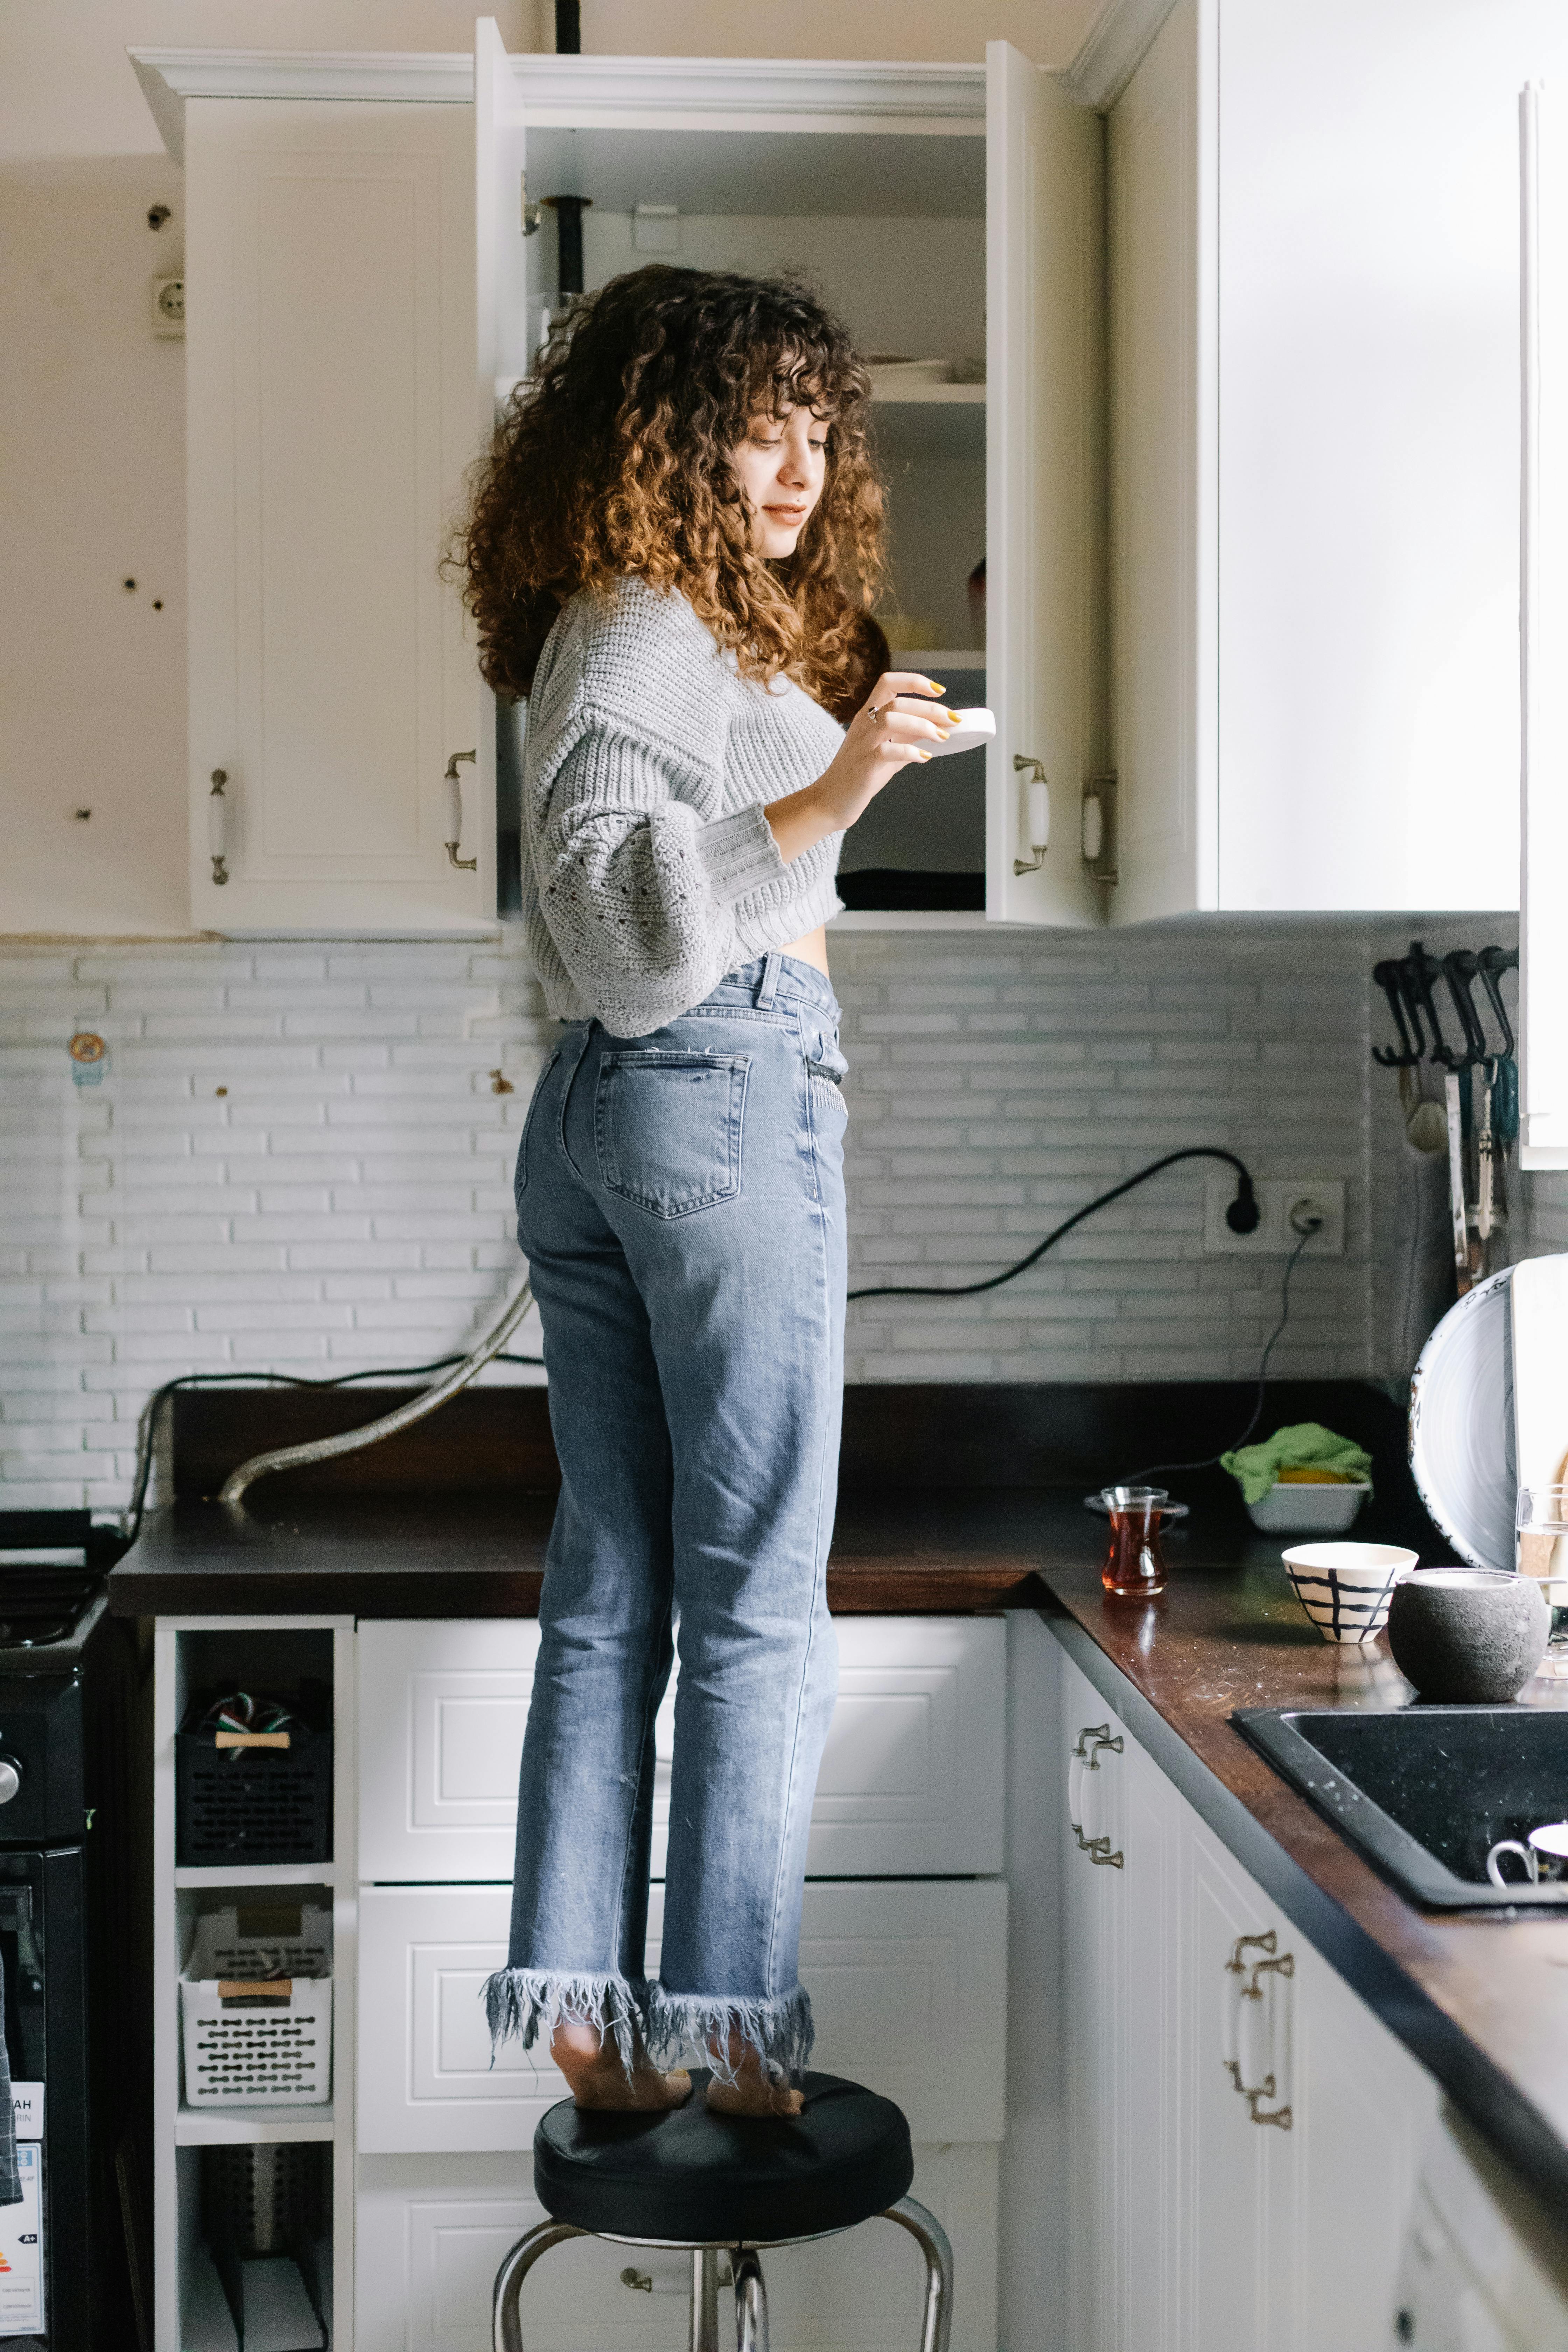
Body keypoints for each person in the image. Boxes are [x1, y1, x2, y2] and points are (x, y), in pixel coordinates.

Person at [451, 266, 957, 2118]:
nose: (801, 461)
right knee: (756, 1591)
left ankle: (590, 2014)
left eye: (821, 425)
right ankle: (730, 2035)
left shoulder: (652, 624)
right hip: (719, 1085)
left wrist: (845, 757)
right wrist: (832, 808)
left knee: (619, 1575)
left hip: (614, 1115)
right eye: (762, 422)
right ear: (668, 433)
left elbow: (624, 879)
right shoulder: (650, 618)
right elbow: (607, 898)